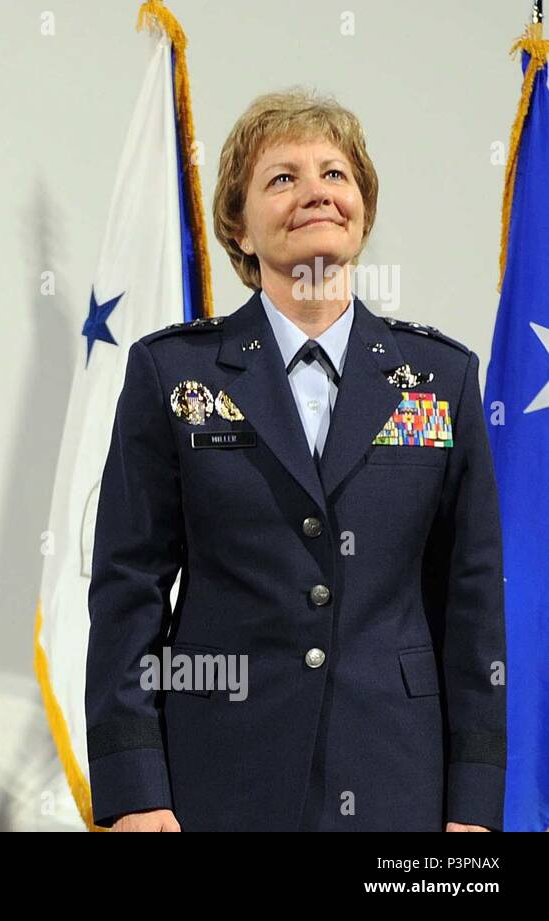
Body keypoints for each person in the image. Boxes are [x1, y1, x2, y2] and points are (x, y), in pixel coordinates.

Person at [85, 89, 506, 831]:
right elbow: (129, 589)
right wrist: (133, 787)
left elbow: (471, 604)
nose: (315, 191)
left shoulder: (441, 377)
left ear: (363, 212)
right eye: (282, 177)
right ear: (239, 227)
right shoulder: (174, 373)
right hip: (215, 778)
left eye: (334, 175)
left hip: (398, 783)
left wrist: (474, 803)